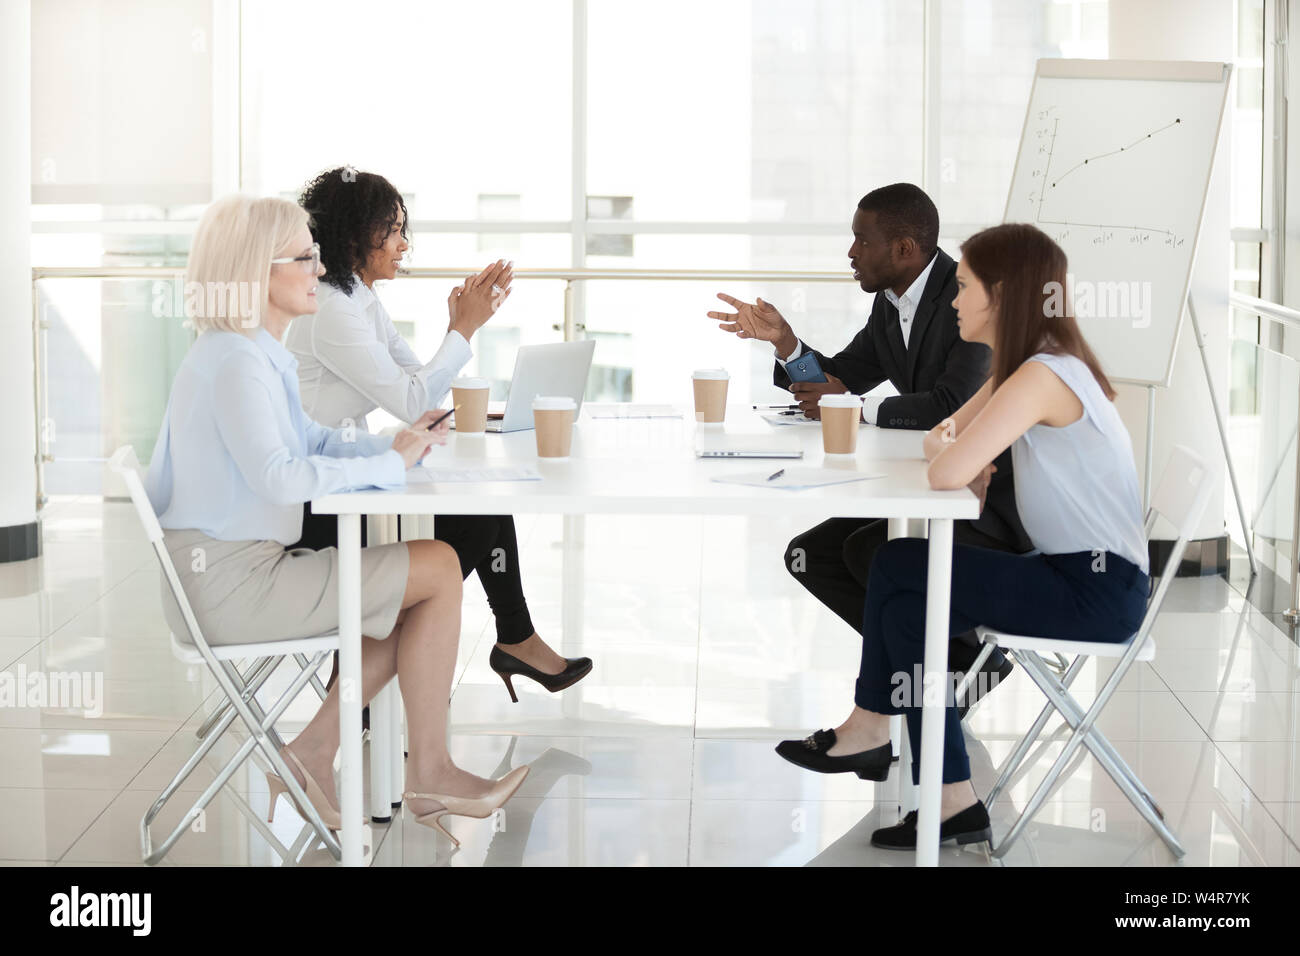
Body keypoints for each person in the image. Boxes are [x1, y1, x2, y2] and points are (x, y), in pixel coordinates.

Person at [145, 195, 527, 843]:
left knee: (412, 585)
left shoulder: (251, 352)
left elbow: (313, 443)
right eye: (305, 257)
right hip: (228, 589)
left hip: (239, 573)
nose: (320, 269)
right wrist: (389, 465)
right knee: (435, 567)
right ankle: (425, 771)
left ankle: (321, 751)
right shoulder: (236, 363)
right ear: (256, 271)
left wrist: (390, 449)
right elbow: (279, 475)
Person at [776, 222, 1150, 850]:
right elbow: (936, 441)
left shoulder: (1041, 375)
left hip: (1096, 589)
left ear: (1001, 296)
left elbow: (945, 465)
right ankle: (950, 800)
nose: (954, 299)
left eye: (966, 286)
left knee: (898, 567)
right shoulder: (1029, 367)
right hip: (1074, 575)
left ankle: (879, 732)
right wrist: (964, 455)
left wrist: (967, 458)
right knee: (904, 595)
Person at [710, 184, 1030, 712]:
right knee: (809, 554)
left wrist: (858, 409)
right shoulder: (890, 304)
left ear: (904, 249)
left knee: (867, 551)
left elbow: (951, 403)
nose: (851, 253)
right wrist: (786, 344)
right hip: (930, 482)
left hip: (987, 501)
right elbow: (844, 377)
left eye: (861, 240)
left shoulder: (970, 296)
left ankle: (940, 676)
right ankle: (948, 665)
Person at [285, 167, 591, 699]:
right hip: (312, 507)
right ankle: (370, 664)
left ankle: (507, 638)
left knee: (483, 507)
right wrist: (464, 329)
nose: (404, 245)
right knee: (473, 523)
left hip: (344, 478)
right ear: (358, 234)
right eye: (395, 230)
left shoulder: (357, 298)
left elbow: (414, 386)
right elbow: (410, 399)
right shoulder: (329, 309)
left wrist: (459, 329)